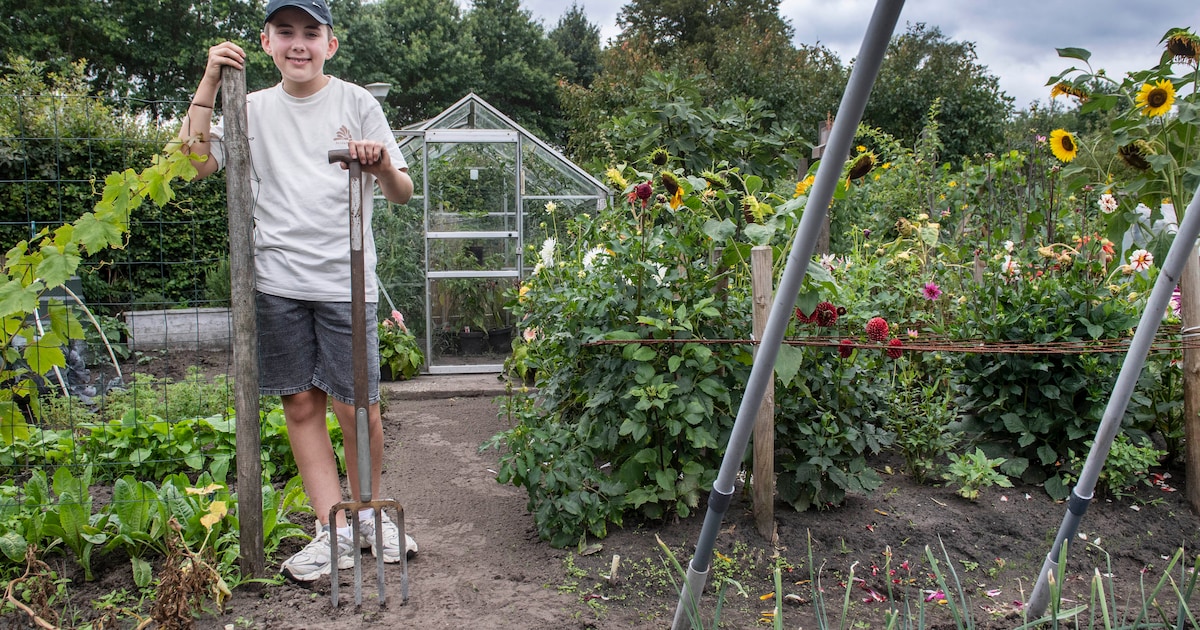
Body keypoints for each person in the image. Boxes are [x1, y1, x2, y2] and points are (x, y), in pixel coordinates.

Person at [176, 0, 416, 582]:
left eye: (312, 32)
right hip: (278, 280)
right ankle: (331, 528)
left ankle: (367, 513)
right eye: (286, 32)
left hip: (345, 278)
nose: (299, 43)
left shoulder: (356, 102)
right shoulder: (250, 106)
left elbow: (402, 190)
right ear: (266, 42)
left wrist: (380, 162)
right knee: (301, 404)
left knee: (357, 405)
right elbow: (192, 163)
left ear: (330, 44)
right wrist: (209, 82)